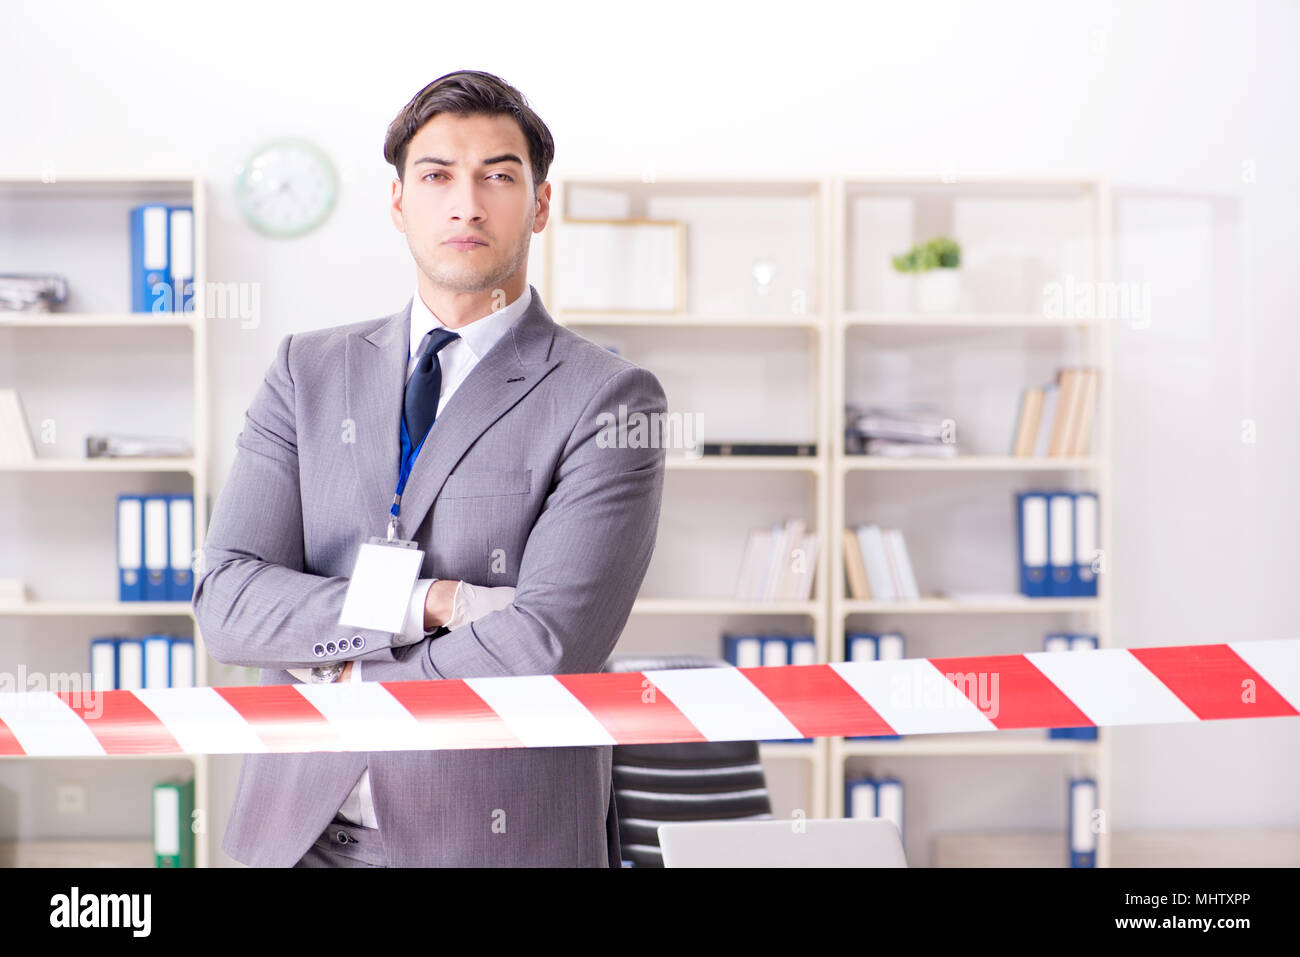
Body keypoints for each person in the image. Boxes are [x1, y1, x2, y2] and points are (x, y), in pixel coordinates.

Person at [193, 69, 668, 867]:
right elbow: (228, 599)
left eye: (499, 176)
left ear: (540, 205)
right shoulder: (305, 372)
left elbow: (550, 640)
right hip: (294, 834)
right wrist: (434, 601)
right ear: (399, 202)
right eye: (438, 175)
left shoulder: (609, 397)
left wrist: (351, 679)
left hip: (491, 839)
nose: (467, 203)